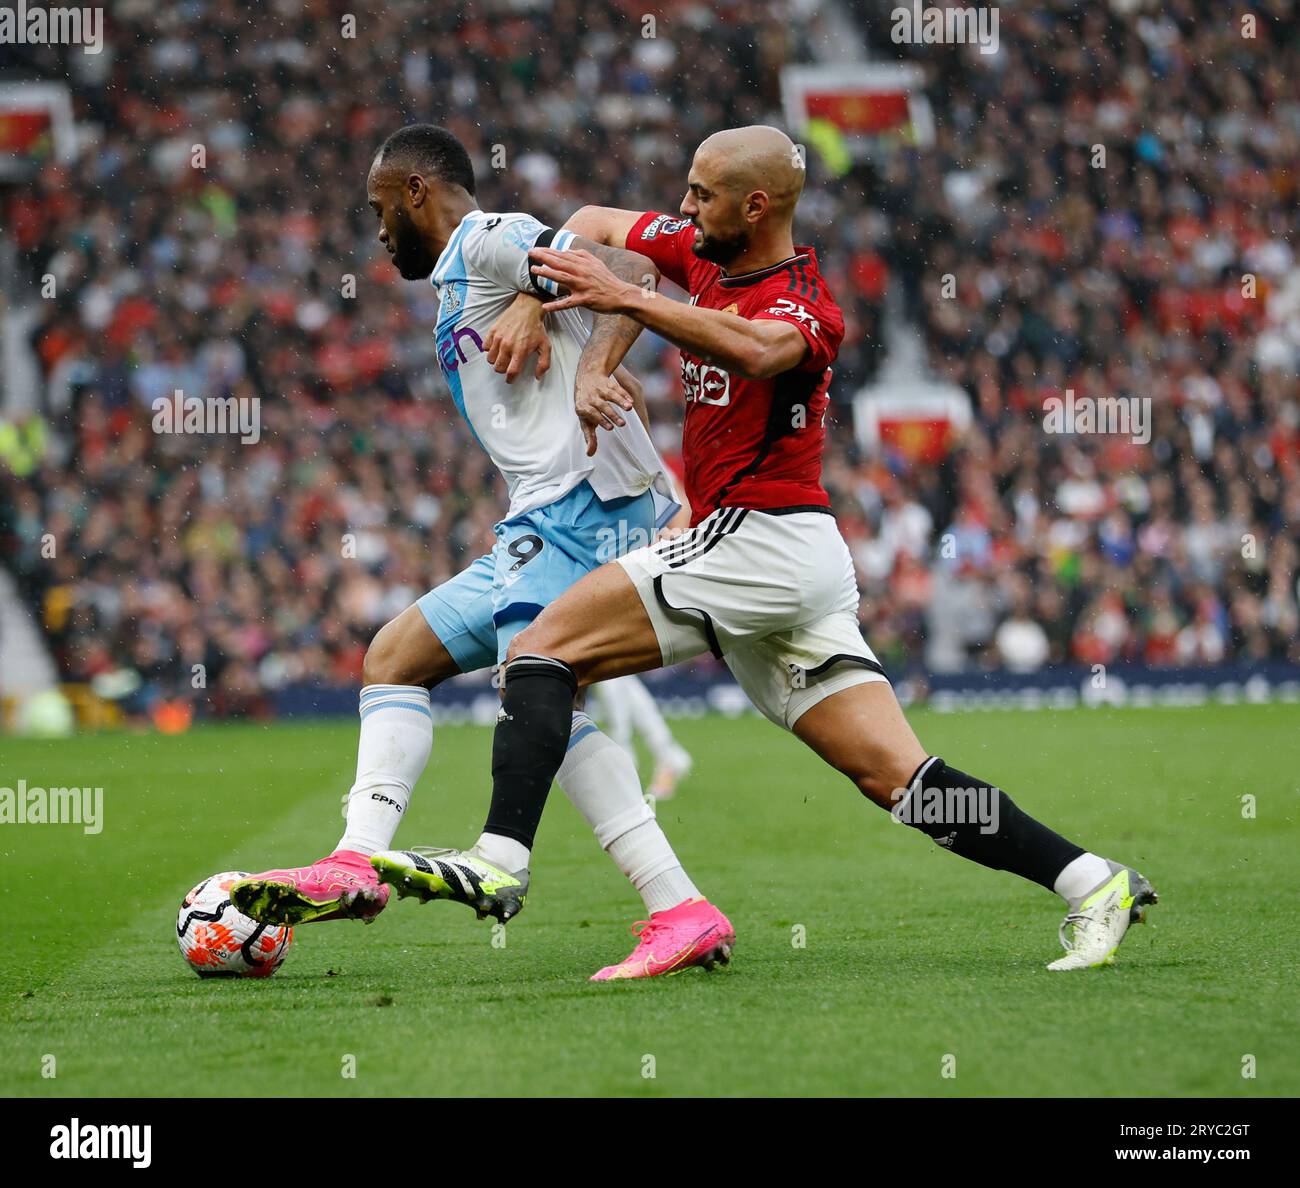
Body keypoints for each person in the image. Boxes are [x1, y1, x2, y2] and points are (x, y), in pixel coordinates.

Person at [380, 126, 1157, 972]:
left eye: (701, 194)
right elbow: (593, 222)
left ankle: (502, 861)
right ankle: (1092, 882)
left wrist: (634, 305)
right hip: (778, 560)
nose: (682, 208)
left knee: (538, 651)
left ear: (755, 206)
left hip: (760, 541)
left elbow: (756, 349)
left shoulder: (804, 304)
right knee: (897, 776)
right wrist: (536, 300)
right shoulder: (699, 249)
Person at [231, 124, 733, 982]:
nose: (379, 230)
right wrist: (542, 309)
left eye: (382, 208)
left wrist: (580, 360)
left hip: (581, 509)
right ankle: (355, 861)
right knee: (395, 655)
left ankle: (676, 904)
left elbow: (640, 274)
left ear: (417, 191)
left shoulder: (487, 238)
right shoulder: (476, 268)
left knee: (536, 692)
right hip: (539, 514)